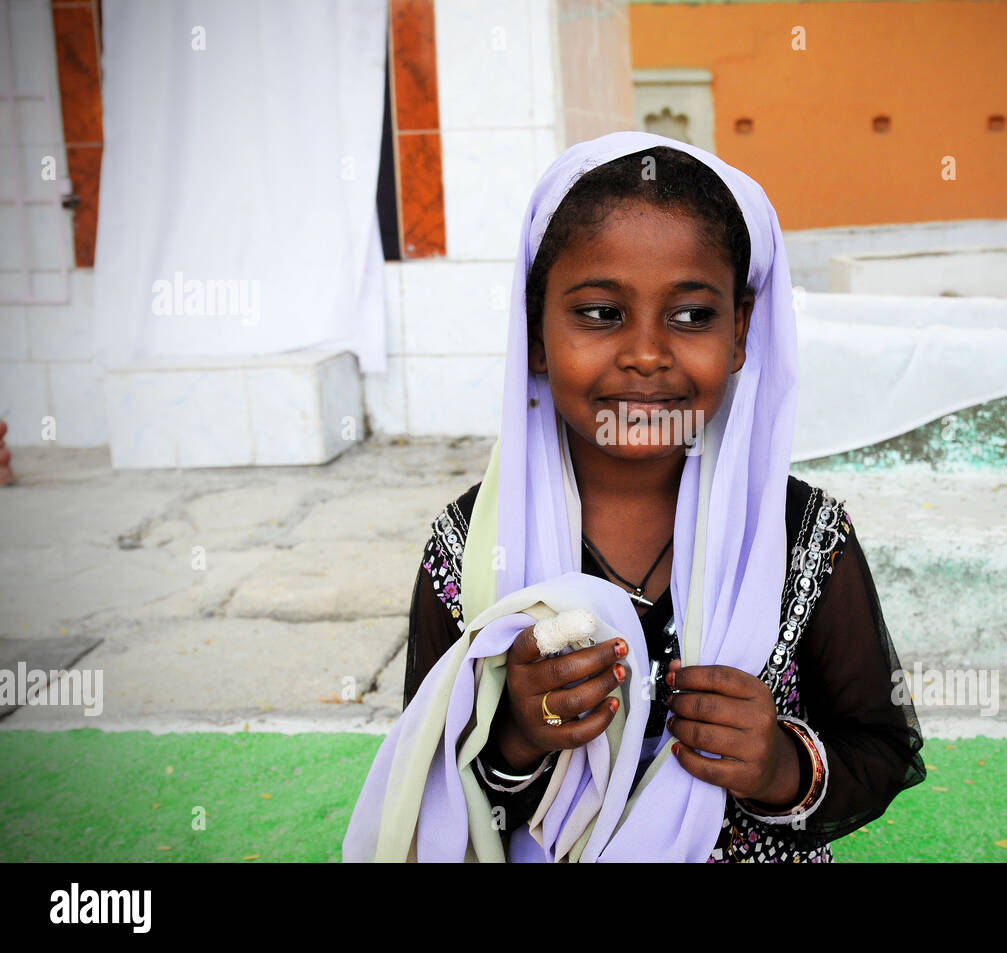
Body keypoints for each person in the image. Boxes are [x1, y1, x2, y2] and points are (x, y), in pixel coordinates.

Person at [348, 131, 925, 863]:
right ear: (535, 335)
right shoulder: (470, 550)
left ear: (741, 332)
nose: (647, 354)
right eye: (599, 312)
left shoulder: (800, 534)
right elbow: (429, 771)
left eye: (691, 316)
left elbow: (879, 745)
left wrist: (782, 765)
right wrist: (518, 737)